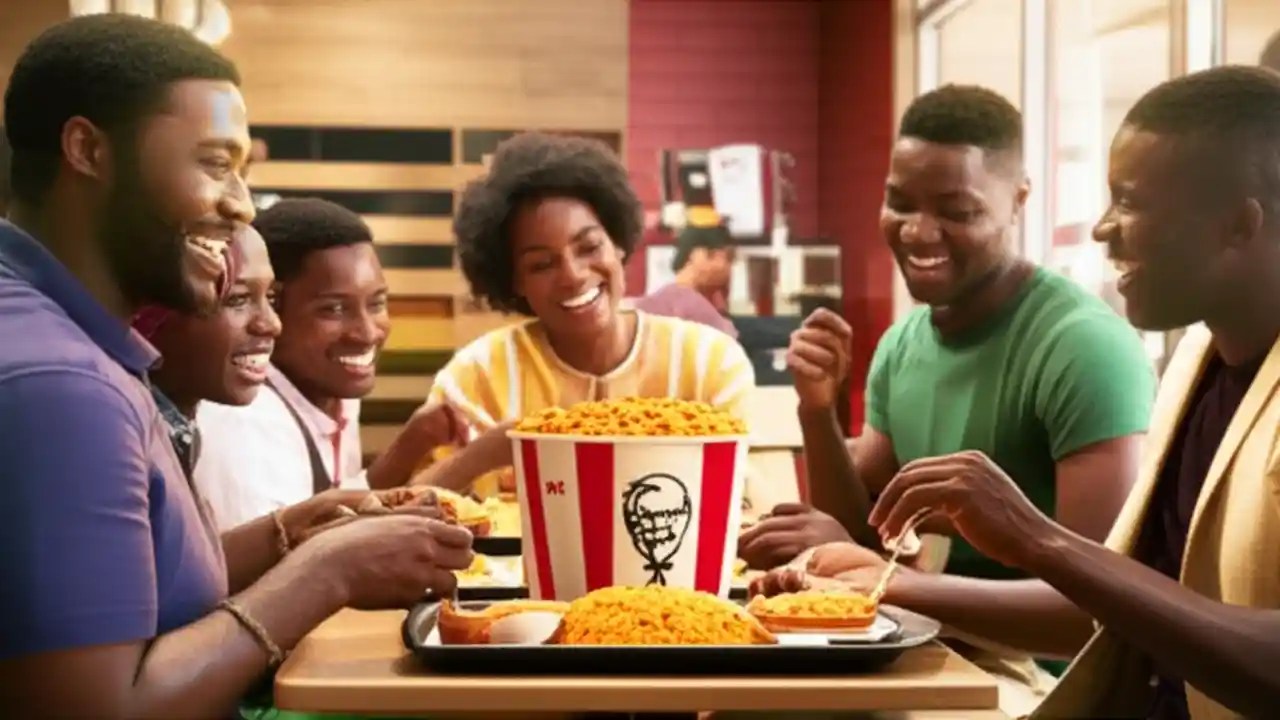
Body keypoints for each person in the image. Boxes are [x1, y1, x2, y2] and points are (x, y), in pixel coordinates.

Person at [762, 66, 1280, 720]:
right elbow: (1127, 601)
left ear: (1239, 225)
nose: (1101, 229)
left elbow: (1089, 608)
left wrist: (1025, 544)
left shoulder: (1089, 344)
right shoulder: (1195, 365)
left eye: (1130, 202)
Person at [0, 16, 472, 717]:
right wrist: (326, 571)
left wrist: (291, 532)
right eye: (217, 164)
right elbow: (102, 706)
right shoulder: (63, 385)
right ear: (87, 150)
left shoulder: (66, 335)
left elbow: (132, 593)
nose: (241, 205)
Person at [415, 132, 754, 491]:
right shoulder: (477, 376)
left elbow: (741, 496)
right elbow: (409, 508)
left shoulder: (709, 363)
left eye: (589, 246)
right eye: (542, 264)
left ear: (618, 244)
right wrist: (482, 455)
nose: (573, 275)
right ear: (514, 281)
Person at [195, 197, 464, 530]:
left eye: (377, 303)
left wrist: (417, 440)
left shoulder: (332, 388)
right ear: (270, 307)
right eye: (334, 309)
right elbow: (280, 567)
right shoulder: (243, 422)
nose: (366, 332)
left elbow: (337, 513)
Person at [633, 219, 739, 337]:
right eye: (711, 255)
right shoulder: (690, 304)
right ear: (690, 256)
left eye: (730, 258)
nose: (722, 265)